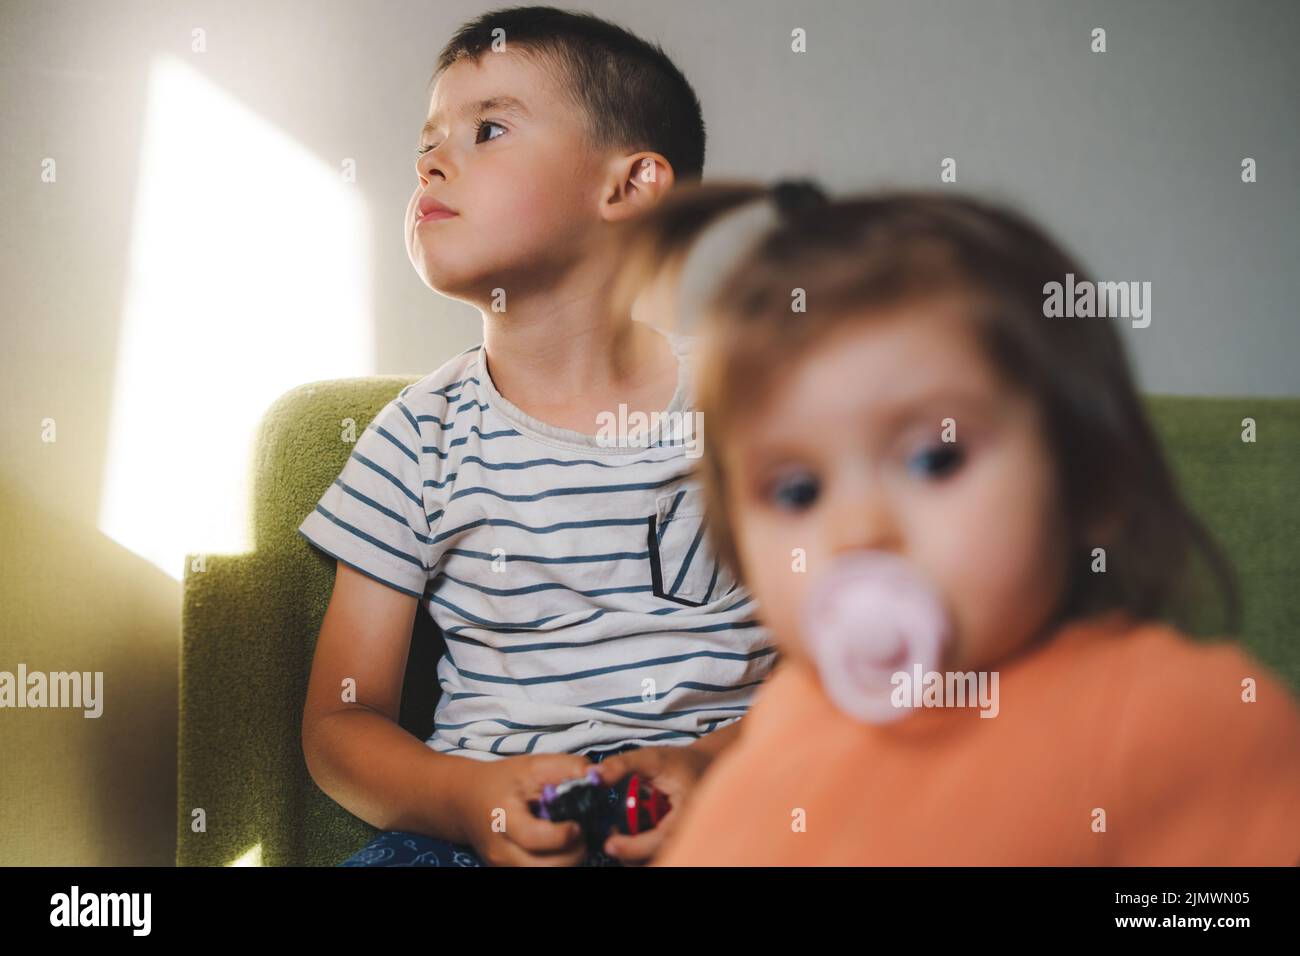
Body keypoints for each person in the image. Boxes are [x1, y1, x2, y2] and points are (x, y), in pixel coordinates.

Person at [591, 179, 1300, 865]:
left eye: (934, 460)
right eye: (798, 491)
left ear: (1091, 483)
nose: (858, 532)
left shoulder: (1171, 718)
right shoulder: (788, 717)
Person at [297, 7, 775, 868]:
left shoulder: (755, 404)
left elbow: (837, 661)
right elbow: (341, 719)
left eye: (486, 130)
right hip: (487, 833)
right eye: (427, 145)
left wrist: (712, 764)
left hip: (740, 811)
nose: (432, 162)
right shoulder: (414, 439)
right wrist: (467, 800)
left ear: (629, 189)